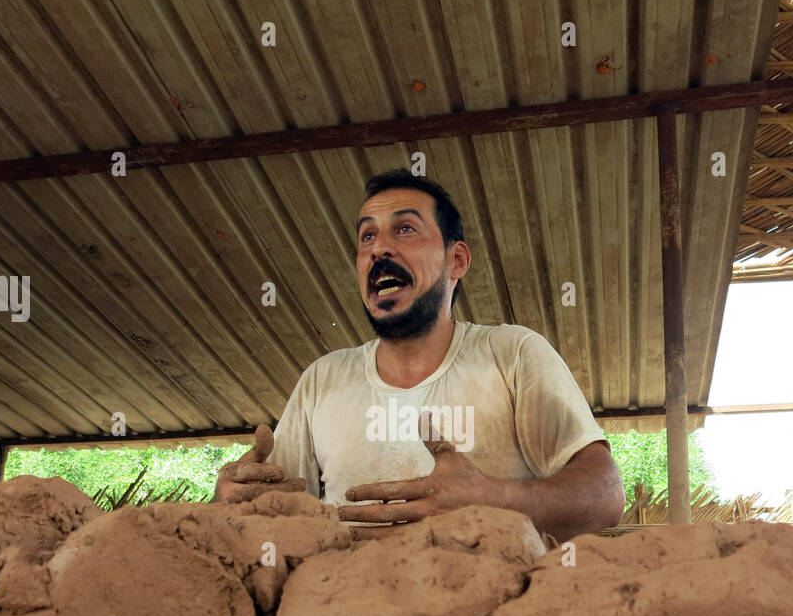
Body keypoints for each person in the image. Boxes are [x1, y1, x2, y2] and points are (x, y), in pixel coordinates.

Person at [211, 169, 626, 542]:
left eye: (405, 229)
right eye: (367, 236)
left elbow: (604, 496)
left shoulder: (512, 354)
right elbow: (273, 513)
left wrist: (492, 502)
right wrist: (231, 500)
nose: (379, 249)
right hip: (343, 614)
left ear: (456, 260)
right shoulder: (324, 379)